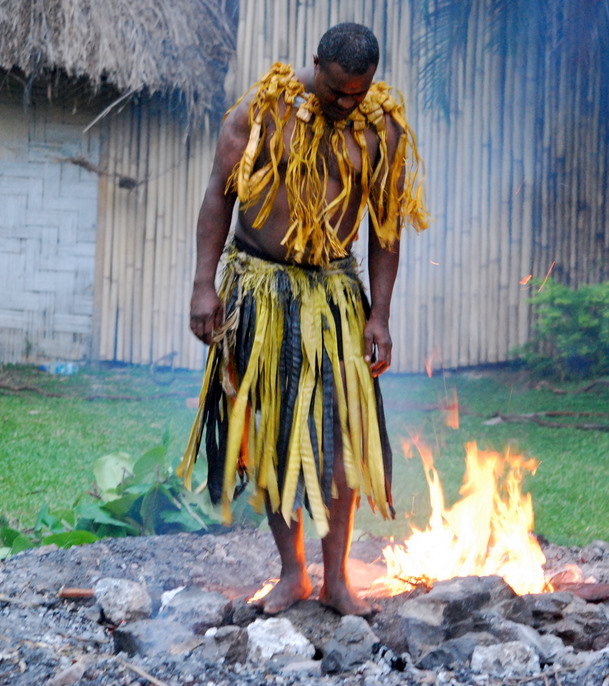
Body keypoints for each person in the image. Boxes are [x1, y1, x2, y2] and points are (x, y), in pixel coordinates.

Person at [179, 22, 427, 616]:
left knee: (341, 442)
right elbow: (219, 195)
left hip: (335, 296)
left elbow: (385, 228)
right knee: (275, 437)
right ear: (316, 64)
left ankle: (337, 578)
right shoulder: (260, 113)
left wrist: (381, 316)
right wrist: (201, 286)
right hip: (261, 292)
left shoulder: (380, 131)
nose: (346, 104)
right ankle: (293, 574)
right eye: (337, 91)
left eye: (357, 94)